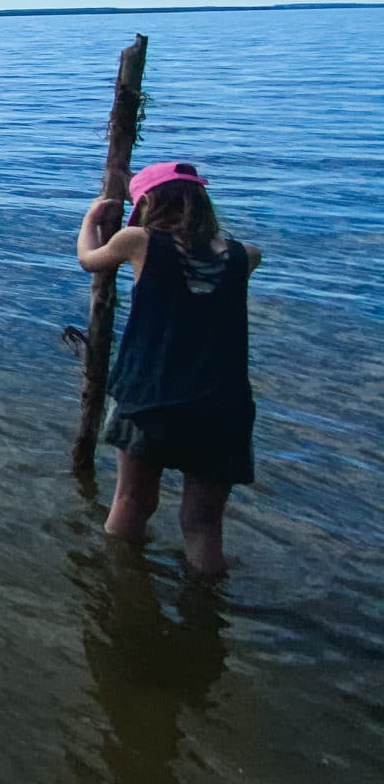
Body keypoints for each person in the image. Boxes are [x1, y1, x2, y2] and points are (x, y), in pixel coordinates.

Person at [77, 161, 261, 576]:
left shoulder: (138, 241)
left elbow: (90, 260)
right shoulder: (243, 257)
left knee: (132, 504)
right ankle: (204, 614)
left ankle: (120, 592)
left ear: (146, 204)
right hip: (222, 409)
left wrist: (91, 218)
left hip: (150, 398)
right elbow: (229, 260)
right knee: (203, 525)